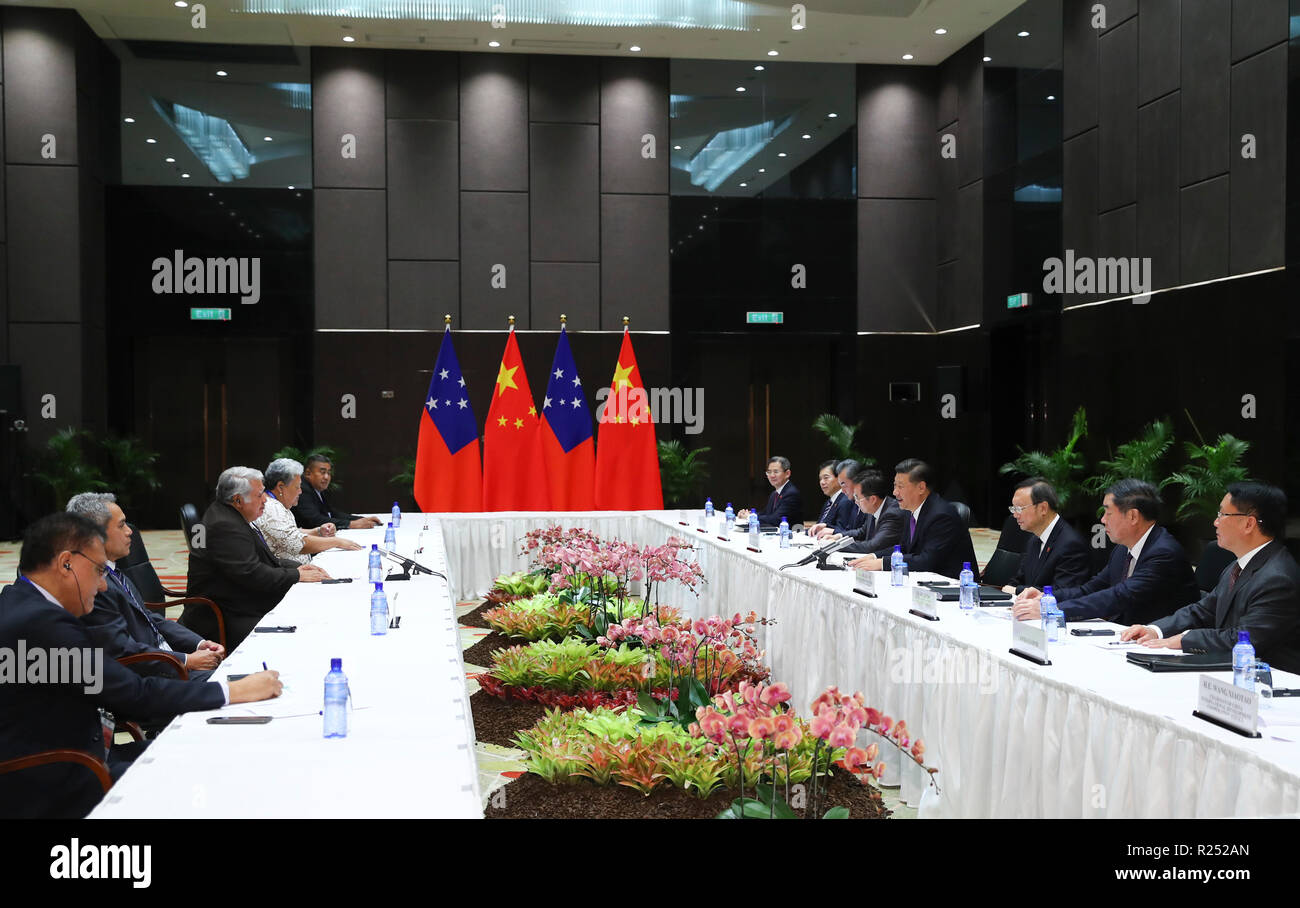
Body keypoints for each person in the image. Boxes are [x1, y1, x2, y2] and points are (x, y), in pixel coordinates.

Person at [0, 513, 282, 818]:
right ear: (66, 563)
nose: (104, 586)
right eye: (98, 571)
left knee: (204, 751)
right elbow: (134, 695)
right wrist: (232, 691)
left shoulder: (18, 601)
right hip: (57, 779)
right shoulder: (44, 625)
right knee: (210, 770)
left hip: (67, 756)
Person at [1121, 483, 1300, 672]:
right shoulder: (1239, 564)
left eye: (1222, 514)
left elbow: (1243, 638)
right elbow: (1203, 610)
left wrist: (1183, 640)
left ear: (1249, 524)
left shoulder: (1278, 579)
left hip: (1271, 683)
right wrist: (1155, 630)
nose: (1215, 522)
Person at [67, 493, 224, 680]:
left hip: (168, 660)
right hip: (153, 678)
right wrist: (186, 660)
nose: (129, 531)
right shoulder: (90, 585)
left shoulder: (112, 569)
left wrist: (199, 644)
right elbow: (122, 651)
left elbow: (147, 618)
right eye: (121, 525)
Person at [182, 467, 331, 650]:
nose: (265, 500)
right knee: (306, 626)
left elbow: (261, 560)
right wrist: (296, 576)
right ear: (237, 500)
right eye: (260, 495)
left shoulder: (226, 513)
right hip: (224, 615)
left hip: (238, 600)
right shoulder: (224, 526)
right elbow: (252, 574)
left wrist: (299, 569)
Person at [1012, 479, 1198, 625]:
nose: (1102, 520)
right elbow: (1090, 589)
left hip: (1163, 648)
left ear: (1133, 516)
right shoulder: (1122, 550)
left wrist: (1051, 610)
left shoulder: (1163, 553)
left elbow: (1117, 596)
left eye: (1108, 512)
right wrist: (1047, 598)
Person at [851, 459, 976, 578]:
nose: (895, 492)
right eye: (895, 486)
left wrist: (882, 563)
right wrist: (873, 556)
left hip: (954, 586)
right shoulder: (911, 511)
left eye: (900, 487)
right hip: (924, 580)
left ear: (921, 487)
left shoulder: (941, 515)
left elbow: (927, 560)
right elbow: (904, 548)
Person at [257, 458, 363, 565]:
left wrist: (318, 531)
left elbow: (289, 533)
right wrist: (337, 542)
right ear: (280, 487)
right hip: (291, 576)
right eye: (297, 487)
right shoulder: (272, 508)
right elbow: (297, 543)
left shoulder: (276, 504)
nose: (300, 491)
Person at [1001, 478, 1091, 594]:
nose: (1015, 515)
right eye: (1013, 509)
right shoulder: (1034, 539)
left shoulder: (1071, 544)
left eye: (1019, 508)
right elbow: (1019, 579)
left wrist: (1017, 590)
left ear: (1043, 508)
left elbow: (1063, 592)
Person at [292, 454, 382, 530]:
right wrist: (351, 524)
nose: (326, 477)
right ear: (308, 473)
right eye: (322, 472)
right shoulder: (302, 489)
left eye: (329, 472)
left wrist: (361, 520)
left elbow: (332, 513)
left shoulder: (317, 488)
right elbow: (315, 520)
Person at [840, 468, 906, 560]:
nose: (855, 501)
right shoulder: (873, 508)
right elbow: (861, 532)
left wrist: (836, 546)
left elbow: (873, 546)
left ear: (872, 499)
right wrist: (838, 536)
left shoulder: (893, 513)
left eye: (857, 497)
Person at [736, 456, 804, 528]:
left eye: (776, 472)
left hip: (790, 536)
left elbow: (776, 519)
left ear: (787, 473)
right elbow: (766, 513)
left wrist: (749, 517)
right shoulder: (774, 494)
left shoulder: (791, 493)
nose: (772, 475)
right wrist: (749, 514)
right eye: (769, 472)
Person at [806, 460, 857, 537]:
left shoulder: (846, 500)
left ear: (839, 478)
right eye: (820, 479)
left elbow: (842, 530)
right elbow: (819, 526)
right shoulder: (829, 502)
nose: (822, 482)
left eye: (826, 478)